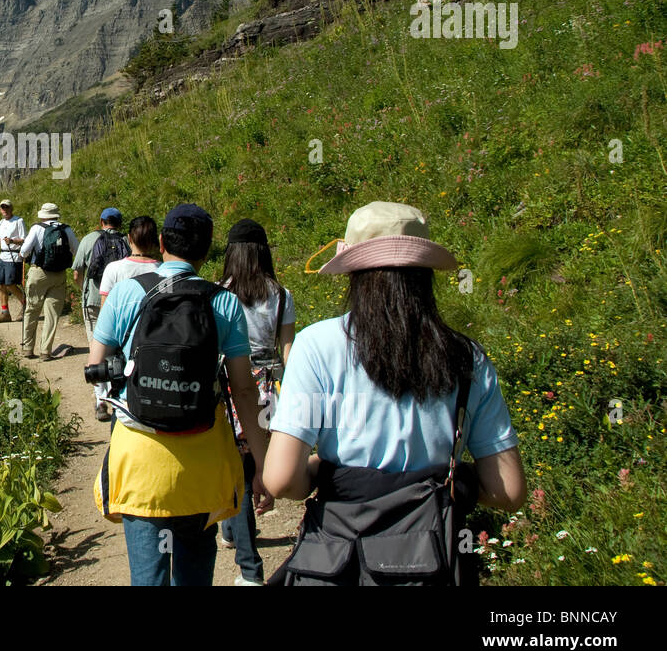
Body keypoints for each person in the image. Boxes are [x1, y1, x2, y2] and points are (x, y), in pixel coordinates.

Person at [263, 201, 526, 584]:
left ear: (353, 273)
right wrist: (451, 480)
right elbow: (509, 491)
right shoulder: (467, 358)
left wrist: (323, 472)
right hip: (430, 561)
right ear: (425, 276)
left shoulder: (316, 345)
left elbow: (281, 479)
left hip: (340, 561)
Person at [89, 204, 271, 586]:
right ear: (207, 252)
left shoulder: (125, 293)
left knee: (148, 578)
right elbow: (243, 390)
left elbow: (97, 366)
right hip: (203, 463)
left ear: (160, 242)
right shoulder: (223, 303)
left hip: (139, 459)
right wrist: (263, 466)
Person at [214, 218, 295, 585]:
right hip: (267, 387)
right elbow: (288, 352)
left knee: (239, 469)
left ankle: (250, 569)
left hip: (232, 383)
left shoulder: (218, 293)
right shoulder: (281, 294)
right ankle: (235, 531)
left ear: (231, 254)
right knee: (251, 464)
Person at [93, 215, 160, 422]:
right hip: (153, 337)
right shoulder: (162, 269)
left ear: (129, 238)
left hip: (121, 338)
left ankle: (102, 402)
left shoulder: (114, 269)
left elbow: (105, 311)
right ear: (157, 240)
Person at [18, 203, 78, 361]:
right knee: (52, 314)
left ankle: (28, 348)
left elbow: (24, 251)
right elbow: (76, 250)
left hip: (39, 273)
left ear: (43, 215)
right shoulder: (66, 229)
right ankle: (45, 351)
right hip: (59, 274)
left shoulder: (37, 228)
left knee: (32, 310)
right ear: (56, 215)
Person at [72, 207, 128, 338]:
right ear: (119, 223)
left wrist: (83, 289)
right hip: (119, 299)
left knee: (95, 341)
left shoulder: (88, 239)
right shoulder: (126, 241)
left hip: (93, 298)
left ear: (101, 221)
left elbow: (76, 274)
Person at [0, 200, 26, 323]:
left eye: (6, 207)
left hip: (14, 256)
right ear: (0, 210)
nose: (4, 210)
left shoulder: (19, 221)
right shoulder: (1, 222)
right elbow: (1, 240)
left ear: (11, 208)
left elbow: (25, 239)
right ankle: (5, 313)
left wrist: (13, 241)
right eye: (2, 208)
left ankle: (26, 305)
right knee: (1, 284)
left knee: (10, 284)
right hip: (3, 256)